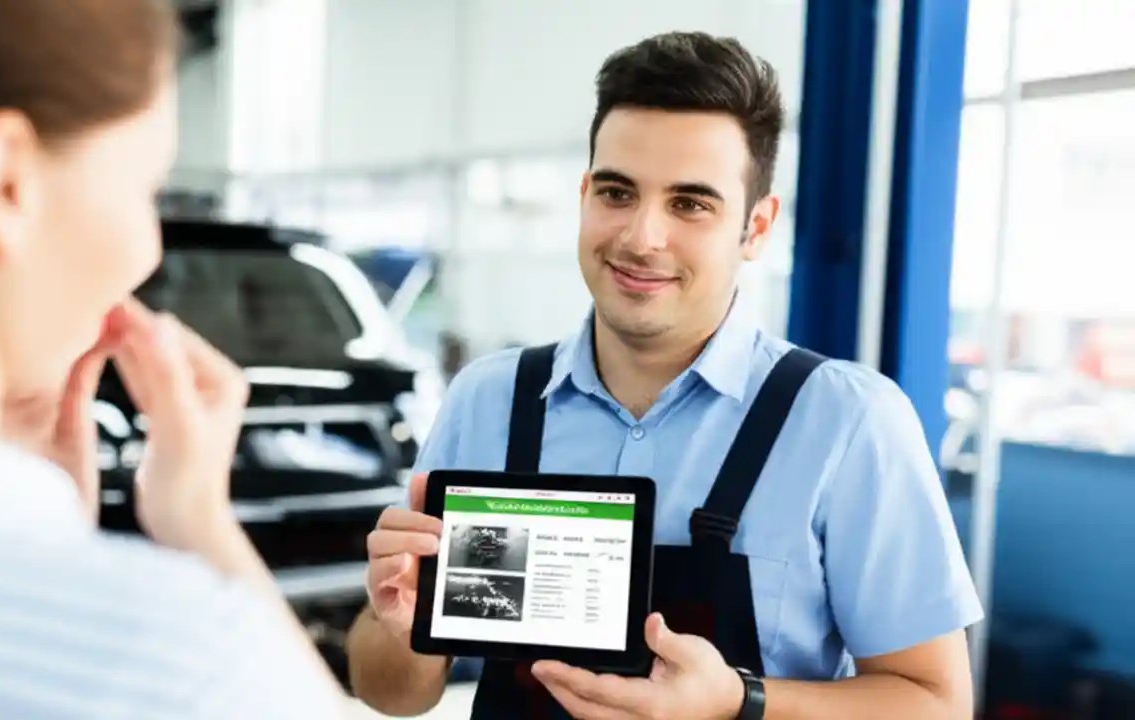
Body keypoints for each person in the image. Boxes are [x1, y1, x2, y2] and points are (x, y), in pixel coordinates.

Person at [346, 31, 983, 720]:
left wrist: (743, 703)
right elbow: (393, 694)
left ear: (756, 228)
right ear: (586, 194)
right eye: (618, 193)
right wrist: (398, 624)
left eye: (690, 204)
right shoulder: (489, 399)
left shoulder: (848, 422)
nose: (641, 237)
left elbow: (935, 704)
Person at [0, 2, 345, 717]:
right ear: (4, 183)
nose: (147, 252)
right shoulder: (184, 659)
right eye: (147, 187)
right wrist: (198, 524)